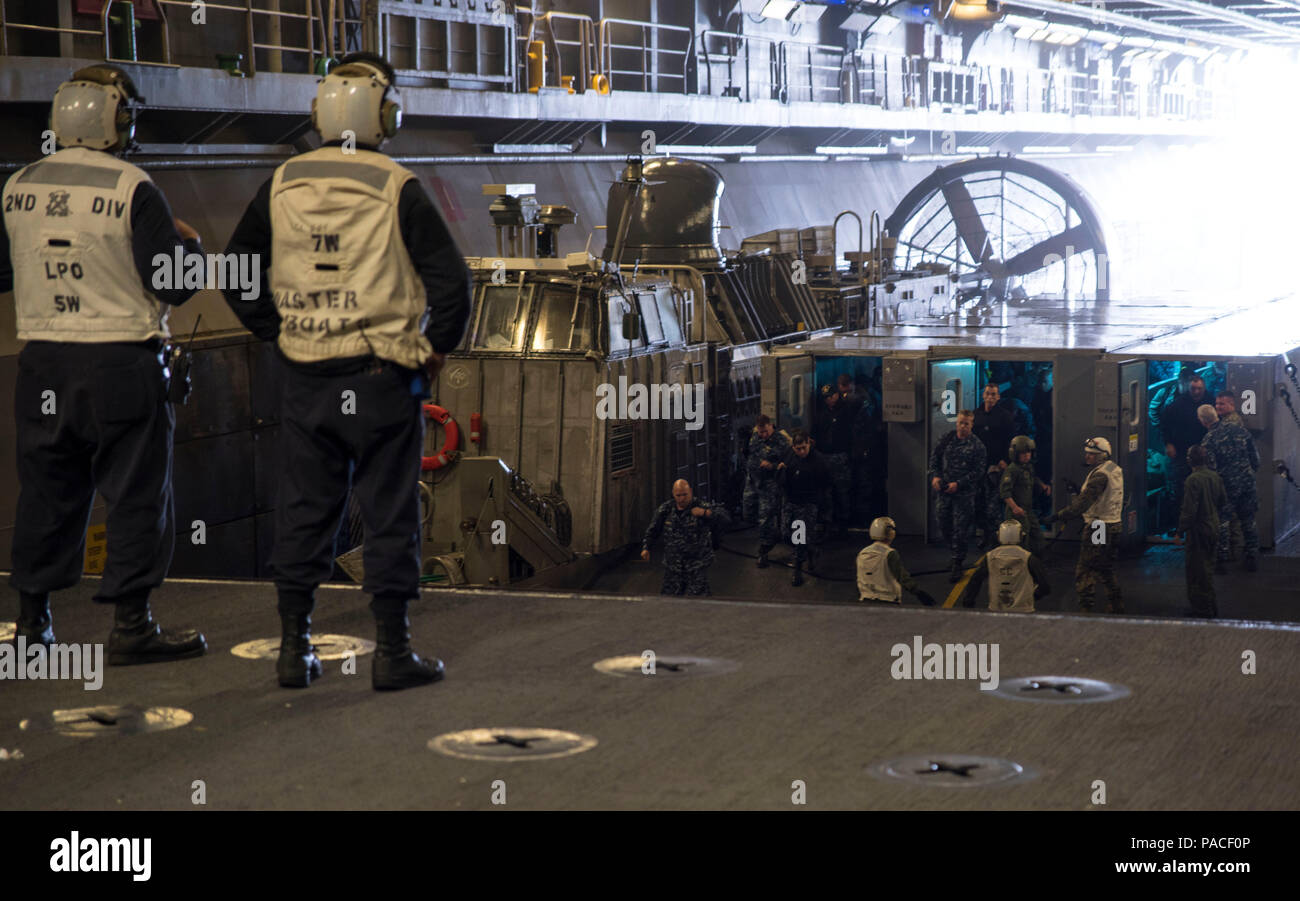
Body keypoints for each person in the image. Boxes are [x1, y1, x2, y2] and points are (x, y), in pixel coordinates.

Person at [221, 53, 472, 690]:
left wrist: (276, 333)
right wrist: (434, 349)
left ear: (319, 113)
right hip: (385, 379)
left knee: (303, 510)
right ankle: (392, 653)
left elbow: (237, 269)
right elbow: (453, 286)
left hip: (306, 379)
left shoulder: (280, 183)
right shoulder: (396, 184)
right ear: (383, 115)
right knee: (390, 511)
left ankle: (293, 649)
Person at [1, 65, 207, 663]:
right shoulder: (132, 188)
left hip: (41, 364)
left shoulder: (18, 186)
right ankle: (131, 627)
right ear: (117, 120)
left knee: (45, 491)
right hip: (121, 366)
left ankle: (33, 625)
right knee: (137, 494)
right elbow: (172, 280)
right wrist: (189, 244)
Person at [1045, 437, 1124, 613]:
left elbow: (1083, 504)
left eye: (1092, 455)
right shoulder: (1113, 468)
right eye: (1087, 454)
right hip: (1114, 523)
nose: (1087, 457)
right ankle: (1116, 603)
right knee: (1105, 567)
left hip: (1099, 526)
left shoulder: (1099, 475)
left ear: (1102, 456)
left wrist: (1058, 516)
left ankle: (1085, 608)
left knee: (1086, 568)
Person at [641, 479, 729, 596]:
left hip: (696, 565)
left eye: (685, 495)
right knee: (668, 602)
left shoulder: (700, 506)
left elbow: (725, 518)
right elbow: (653, 529)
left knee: (698, 603)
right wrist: (646, 547)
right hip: (673, 566)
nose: (682, 499)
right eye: (678, 495)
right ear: (673, 494)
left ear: (691, 492)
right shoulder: (666, 509)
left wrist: (705, 513)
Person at [1198, 404, 1259, 572]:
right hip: (1247, 481)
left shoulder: (1209, 440)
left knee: (1223, 520)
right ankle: (1252, 556)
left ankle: (1222, 559)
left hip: (1226, 485)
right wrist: (1249, 471)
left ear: (1203, 421)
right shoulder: (1238, 429)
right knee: (1248, 519)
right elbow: (1255, 458)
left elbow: (1211, 469)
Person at [929, 410, 987, 581]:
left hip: (964, 493)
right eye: (960, 422)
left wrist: (959, 484)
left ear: (971, 425)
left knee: (960, 529)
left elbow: (979, 471)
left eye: (966, 423)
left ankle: (957, 562)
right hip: (945, 490)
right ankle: (954, 552)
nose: (962, 426)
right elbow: (935, 458)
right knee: (943, 522)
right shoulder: (947, 439)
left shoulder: (977, 446)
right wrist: (936, 476)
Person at [1177, 445, 1228, 618]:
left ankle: (1201, 609)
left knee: (1197, 571)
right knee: (1208, 567)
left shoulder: (1193, 480)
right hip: (1214, 525)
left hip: (1198, 530)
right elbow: (1223, 501)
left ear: (1190, 460)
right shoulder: (1215, 476)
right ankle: (1211, 606)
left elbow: (1189, 510)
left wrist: (1179, 531)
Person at [959, 520, 1052, 612]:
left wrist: (968, 602)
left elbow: (975, 580)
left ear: (998, 535)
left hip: (996, 608)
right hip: (1023, 609)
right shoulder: (1028, 558)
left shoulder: (990, 557)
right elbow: (1045, 586)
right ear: (1021, 536)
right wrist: (1032, 596)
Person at [777, 429, 829, 587]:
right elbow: (780, 476)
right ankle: (810, 549)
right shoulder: (788, 455)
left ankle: (798, 570)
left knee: (799, 537)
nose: (801, 452)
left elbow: (825, 483)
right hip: (790, 500)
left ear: (809, 444)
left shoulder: (818, 460)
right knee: (786, 534)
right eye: (797, 449)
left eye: (803, 448)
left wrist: (819, 504)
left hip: (808, 502)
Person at [743, 414, 790, 568]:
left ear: (771, 426)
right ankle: (772, 534)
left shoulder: (781, 440)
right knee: (748, 511)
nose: (763, 435)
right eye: (760, 432)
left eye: (765, 431)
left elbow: (788, 462)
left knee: (765, 516)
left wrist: (773, 466)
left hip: (770, 483)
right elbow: (750, 454)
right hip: (753, 480)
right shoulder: (755, 437)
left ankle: (764, 549)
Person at [972, 383, 1016, 547]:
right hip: (979, 467)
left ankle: (997, 537)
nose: (990, 397)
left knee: (993, 507)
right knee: (978, 503)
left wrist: (1005, 459)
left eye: (993, 394)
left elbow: (1010, 440)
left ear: (998, 397)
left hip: (997, 467)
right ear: (983, 395)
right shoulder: (976, 415)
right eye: (988, 393)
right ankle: (984, 534)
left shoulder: (1005, 417)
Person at [1161, 373, 1210, 522]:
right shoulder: (1178, 405)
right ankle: (1179, 525)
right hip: (1182, 453)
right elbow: (1164, 424)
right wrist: (1168, 443)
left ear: (1204, 388)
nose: (1196, 392)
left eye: (1199, 389)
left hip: (1204, 454)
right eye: (1193, 388)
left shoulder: (1211, 402)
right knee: (1180, 490)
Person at [855, 517, 935, 606]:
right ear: (890, 533)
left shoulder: (863, 552)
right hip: (887, 600)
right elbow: (901, 576)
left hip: (865, 599)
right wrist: (918, 592)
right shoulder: (889, 553)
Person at [812, 384, 855, 533]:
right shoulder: (821, 414)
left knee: (842, 491)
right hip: (824, 457)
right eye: (826, 398)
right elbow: (815, 434)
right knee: (826, 492)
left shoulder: (846, 412)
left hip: (840, 456)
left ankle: (844, 523)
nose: (829, 400)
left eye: (831, 396)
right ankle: (828, 523)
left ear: (836, 395)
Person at [999, 435, 1051, 554]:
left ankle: (1036, 562)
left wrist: (1043, 486)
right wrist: (1015, 508)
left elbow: (1033, 479)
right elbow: (1005, 492)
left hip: (1027, 509)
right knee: (1022, 539)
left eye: (1029, 452)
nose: (1027, 455)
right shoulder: (1012, 470)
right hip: (1016, 511)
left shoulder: (1028, 467)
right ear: (1015, 454)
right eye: (1023, 453)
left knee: (1037, 535)